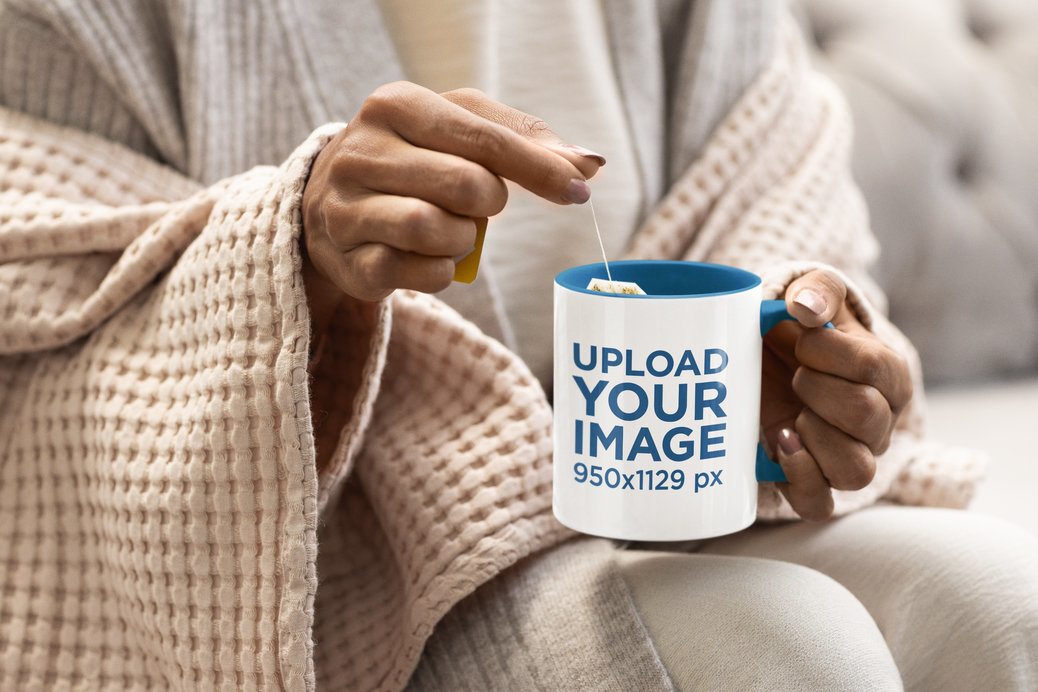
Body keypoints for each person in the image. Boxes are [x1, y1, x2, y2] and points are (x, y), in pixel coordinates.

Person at [0, 0, 1034, 690]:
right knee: (794, 651)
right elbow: (38, 296)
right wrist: (290, 259)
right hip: (361, 567)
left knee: (1005, 596)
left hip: (671, 520)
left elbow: (787, 209)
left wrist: (806, 373)